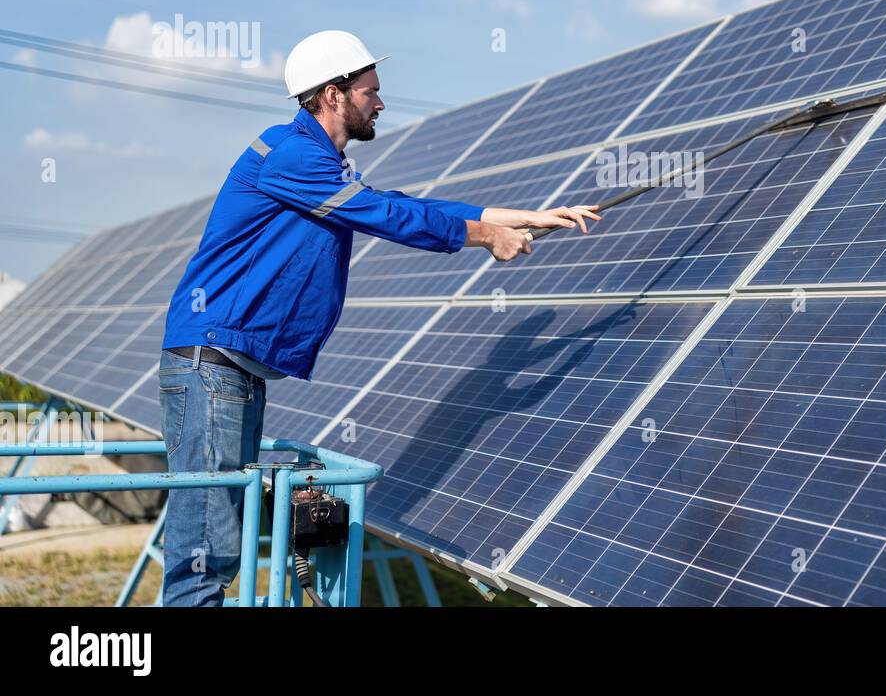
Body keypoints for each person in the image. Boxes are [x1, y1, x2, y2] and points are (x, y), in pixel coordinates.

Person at [156, 30, 598, 606]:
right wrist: (487, 236)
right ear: (333, 95)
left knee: (219, 539)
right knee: (206, 552)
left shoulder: (316, 162)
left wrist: (530, 216)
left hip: (227, 369)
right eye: (371, 91)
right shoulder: (292, 157)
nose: (381, 103)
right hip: (211, 366)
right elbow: (385, 214)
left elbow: (409, 204)